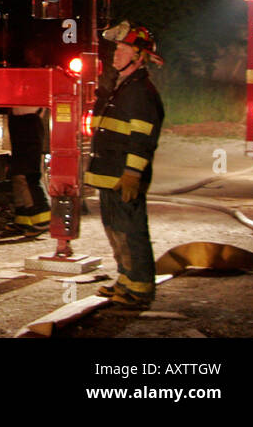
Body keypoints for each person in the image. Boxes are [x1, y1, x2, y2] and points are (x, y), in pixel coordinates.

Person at [86, 21, 165, 308]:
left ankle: (140, 288)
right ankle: (126, 279)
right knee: (116, 230)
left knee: (132, 232)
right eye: (116, 47)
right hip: (108, 175)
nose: (115, 53)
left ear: (139, 56)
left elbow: (142, 137)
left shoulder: (141, 92)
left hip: (123, 177)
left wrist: (132, 173)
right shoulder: (120, 87)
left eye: (123, 48)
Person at [7, 106, 50, 236]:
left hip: (29, 122)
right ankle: (23, 219)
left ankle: (43, 221)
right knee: (18, 174)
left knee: (27, 174)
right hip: (20, 121)